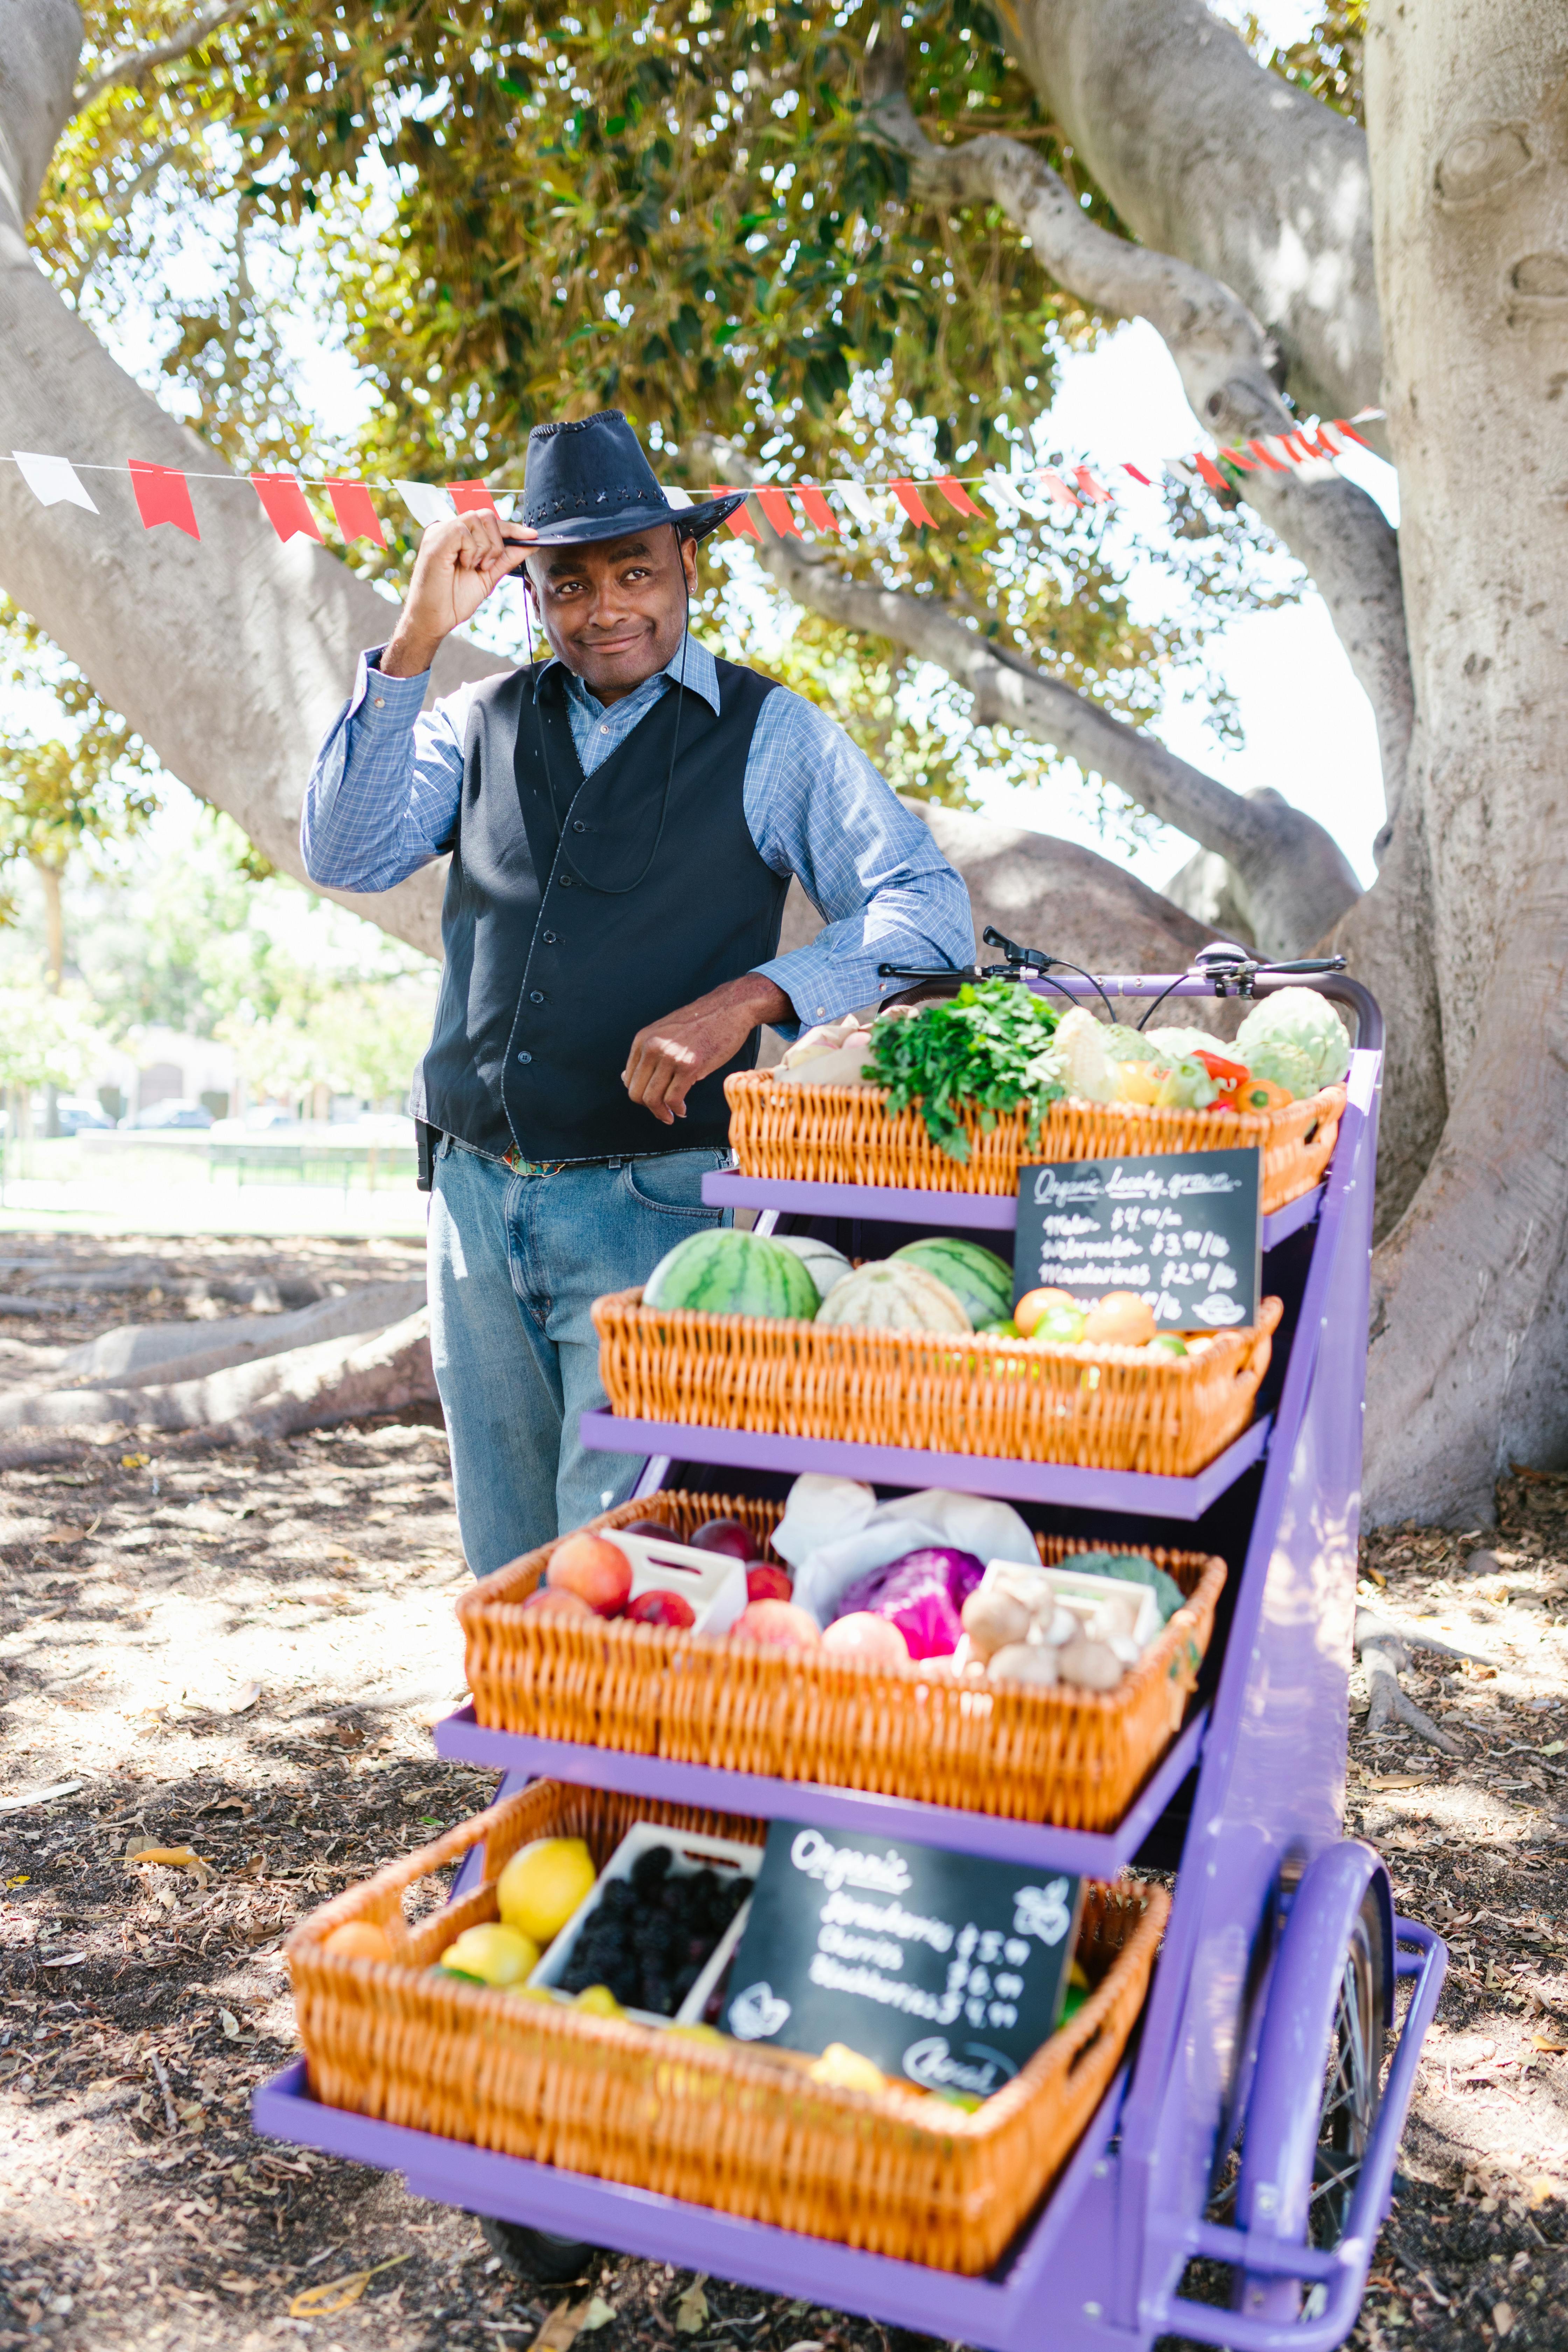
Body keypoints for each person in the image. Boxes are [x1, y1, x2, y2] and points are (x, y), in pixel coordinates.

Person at [302, 410, 973, 1574]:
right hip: (471, 1205)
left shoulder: (774, 738)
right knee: (510, 1572)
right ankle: (530, 1762)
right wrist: (414, 637)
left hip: (653, 1214)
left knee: (621, 1562)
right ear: (532, 595)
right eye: (569, 583)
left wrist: (754, 996)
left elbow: (930, 914)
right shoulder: (479, 721)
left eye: (633, 572)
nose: (606, 608)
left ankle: (616, 1761)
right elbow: (348, 853)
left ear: (687, 568)